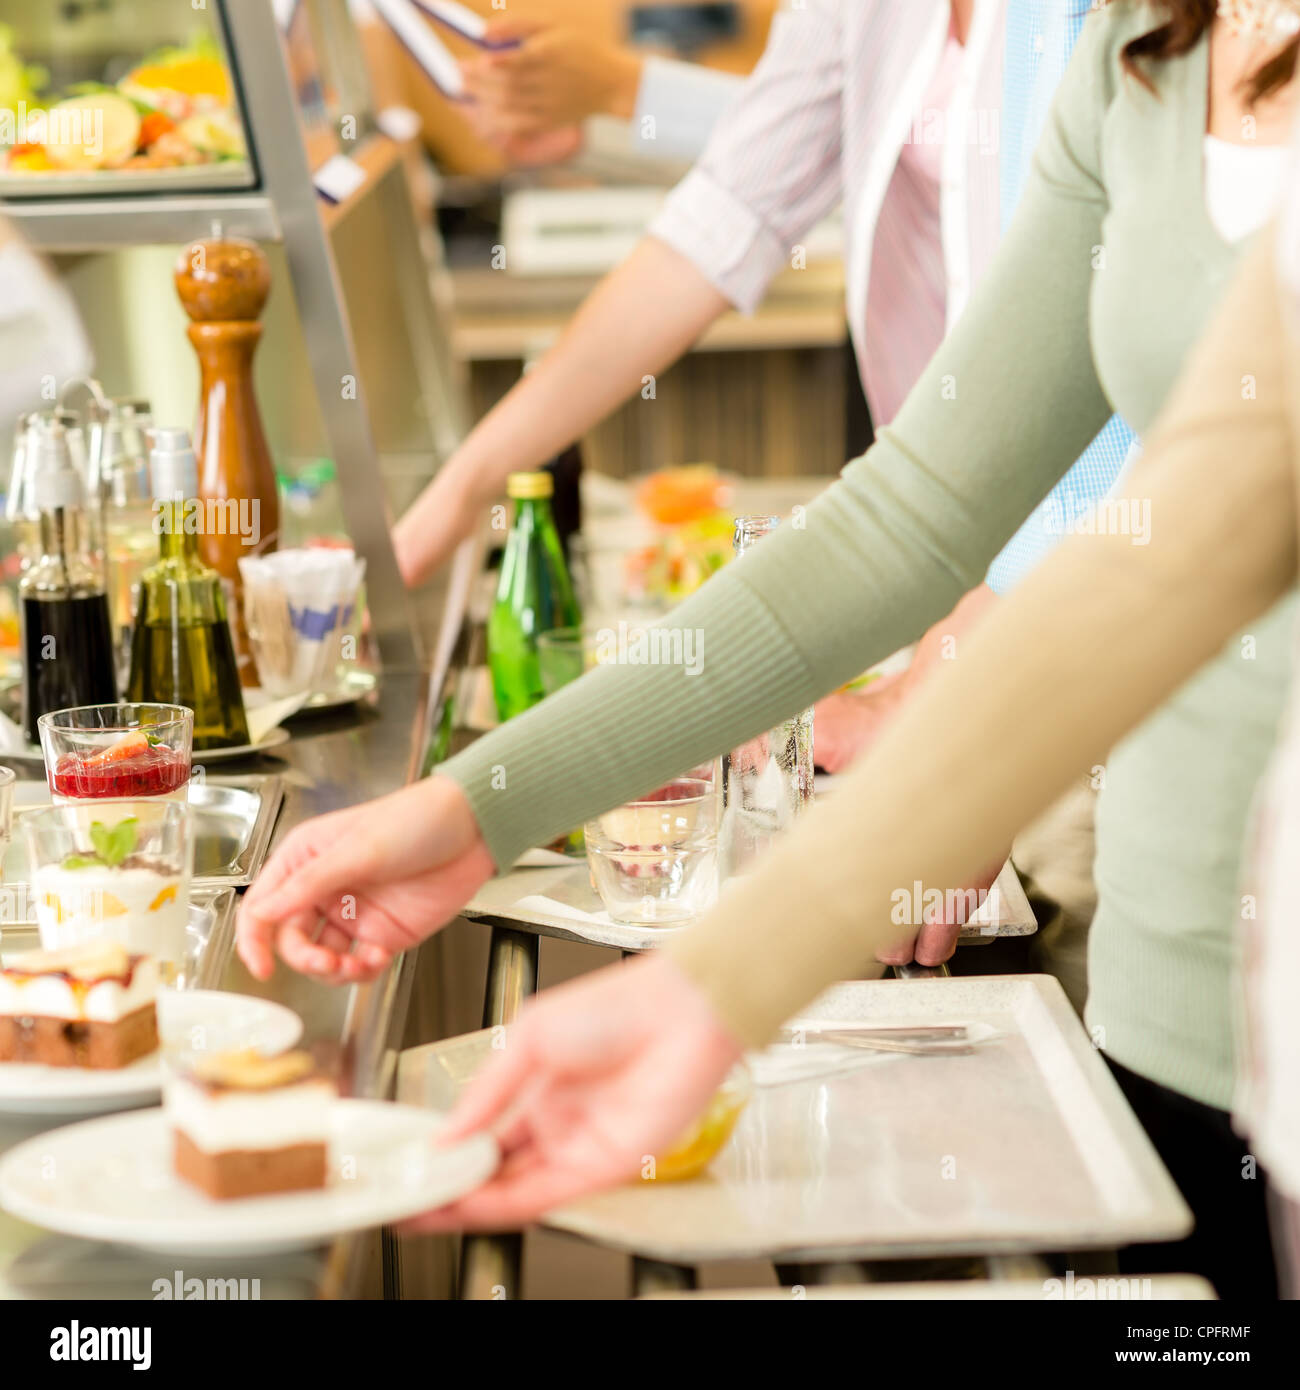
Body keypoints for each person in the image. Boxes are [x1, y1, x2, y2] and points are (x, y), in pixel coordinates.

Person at [237, 2, 1299, 1294]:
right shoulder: (1149, 47)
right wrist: (481, 802)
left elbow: (1148, 553)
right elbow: (915, 517)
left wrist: (723, 981)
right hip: (1177, 978)